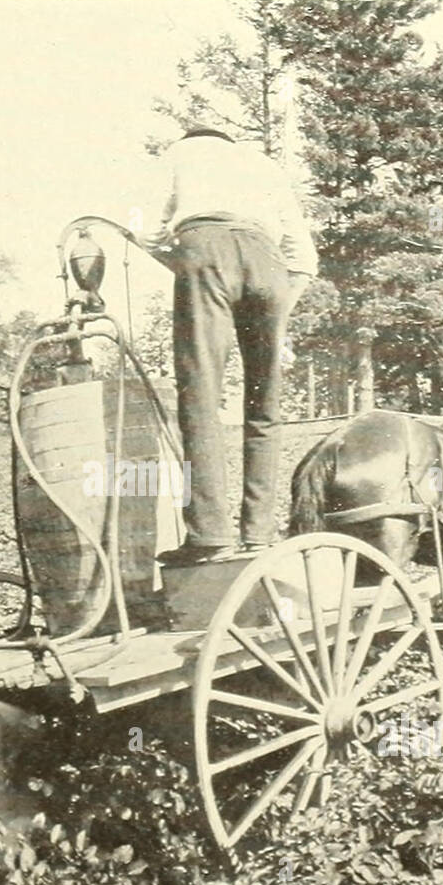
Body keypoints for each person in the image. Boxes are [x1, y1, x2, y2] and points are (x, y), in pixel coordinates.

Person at [140, 127, 319, 565]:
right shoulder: (264, 164)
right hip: (269, 263)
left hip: (206, 250)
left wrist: (182, 265)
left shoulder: (179, 152)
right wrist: (279, 315)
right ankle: (259, 534)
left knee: (201, 399)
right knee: (265, 409)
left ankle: (209, 535)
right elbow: (305, 260)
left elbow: (143, 230)